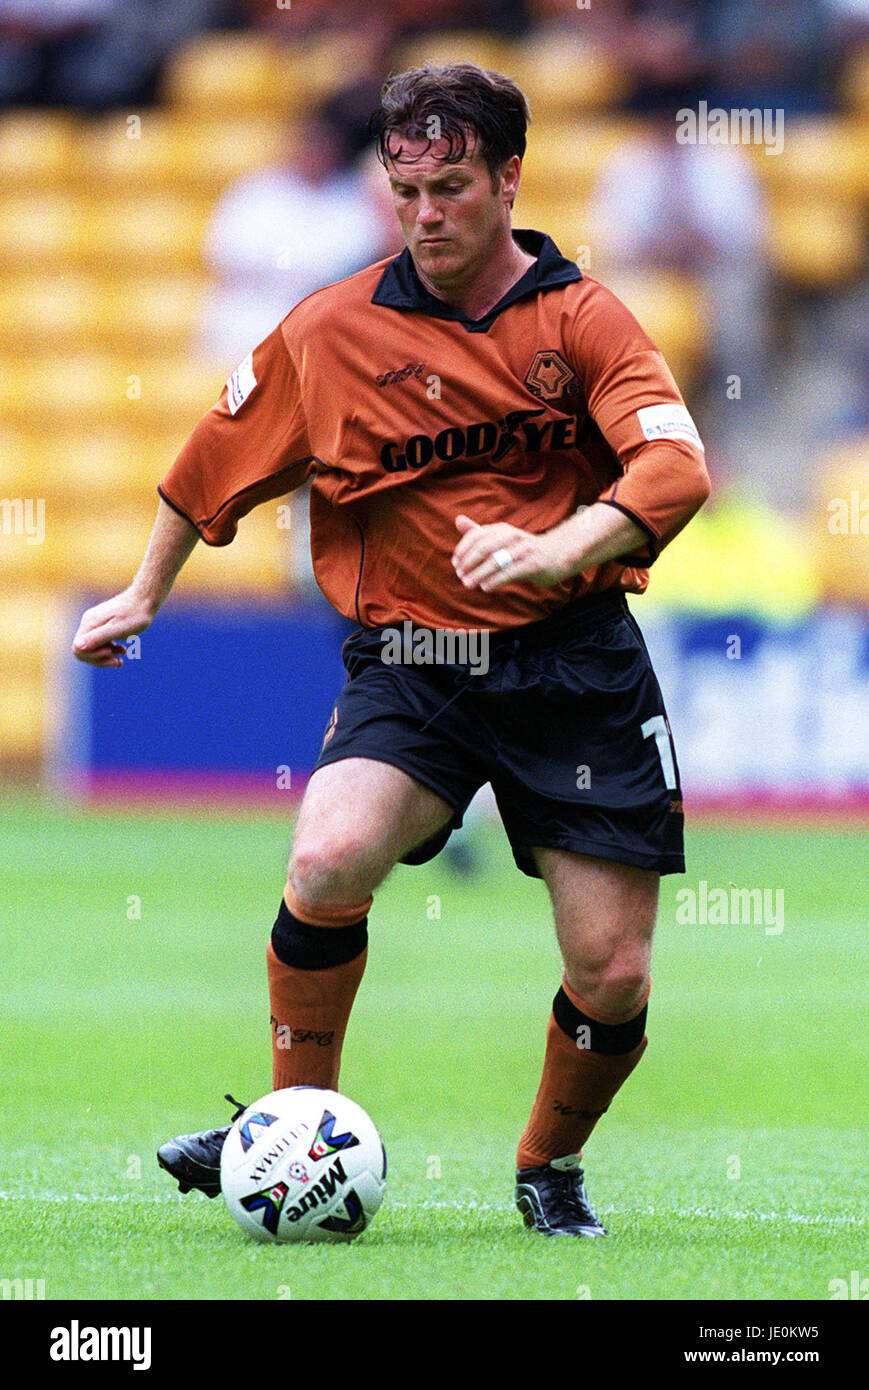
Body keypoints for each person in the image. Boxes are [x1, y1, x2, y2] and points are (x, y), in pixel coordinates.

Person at [72, 62, 710, 1238]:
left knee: (611, 974)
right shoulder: (329, 329)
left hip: (575, 669)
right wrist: (142, 591)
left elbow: (673, 469)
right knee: (323, 861)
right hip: (414, 665)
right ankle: (287, 1122)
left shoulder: (585, 321)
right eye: (405, 186)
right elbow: (211, 459)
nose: (426, 211)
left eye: (453, 185)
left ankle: (545, 1163)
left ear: (508, 178)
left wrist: (562, 543)